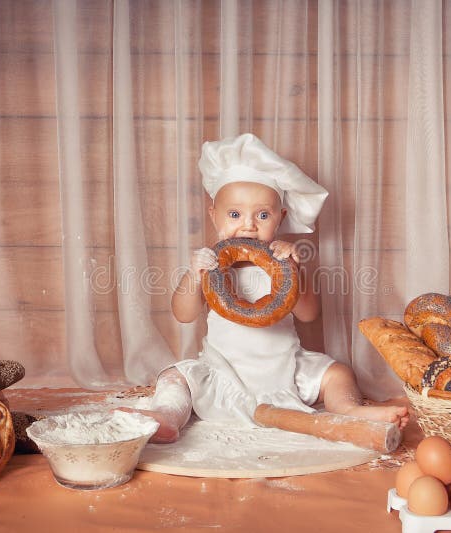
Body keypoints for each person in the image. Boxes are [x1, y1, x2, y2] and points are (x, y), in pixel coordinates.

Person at [128, 133, 409, 443]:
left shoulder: (283, 262)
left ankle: (348, 409)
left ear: (280, 218)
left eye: (263, 215)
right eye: (235, 214)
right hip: (224, 372)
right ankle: (168, 415)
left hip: (284, 370)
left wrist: (295, 270)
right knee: (174, 376)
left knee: (338, 373)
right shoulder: (211, 265)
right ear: (214, 216)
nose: (249, 225)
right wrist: (194, 275)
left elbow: (309, 314)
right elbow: (183, 314)